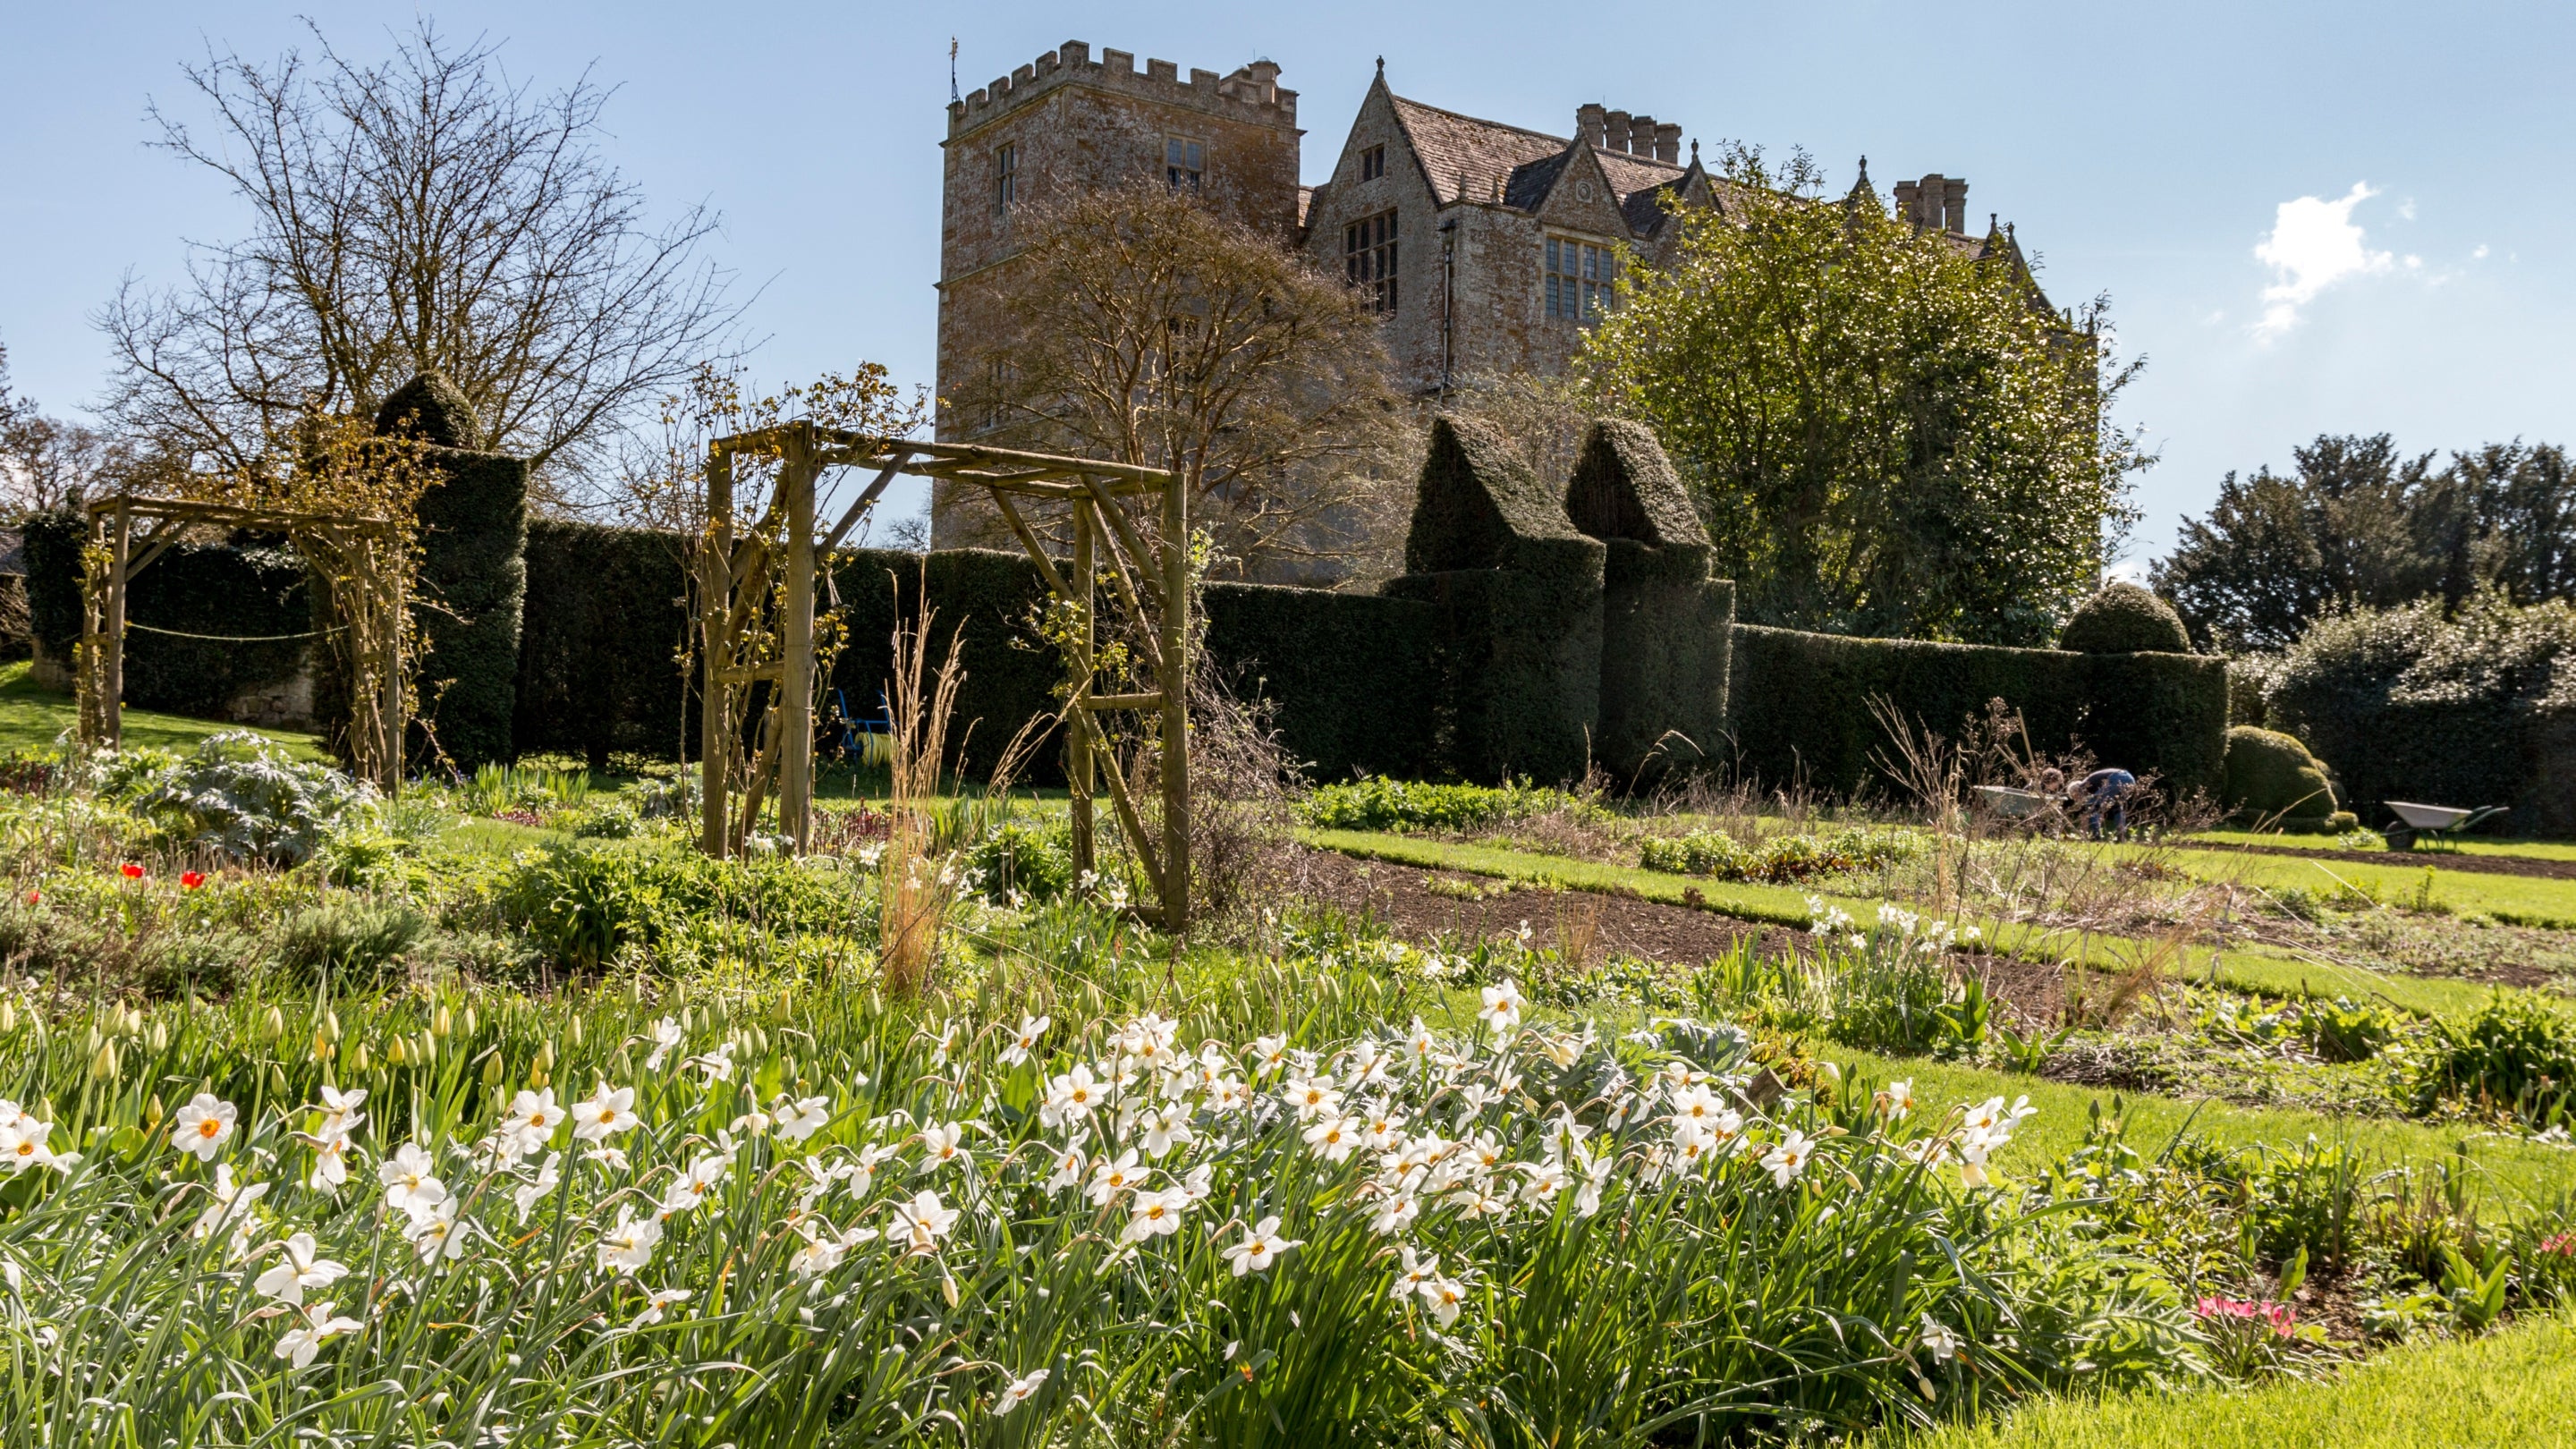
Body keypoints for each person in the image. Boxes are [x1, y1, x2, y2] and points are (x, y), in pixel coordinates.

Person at [2072, 767, 2136, 840]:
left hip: (2117, 778)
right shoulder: (2093, 784)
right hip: (2130, 779)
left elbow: (2086, 813)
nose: (2078, 800)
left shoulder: (2082, 786)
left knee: (2092, 807)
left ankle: (2096, 837)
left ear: (2075, 791)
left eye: (2075, 797)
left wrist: (2083, 833)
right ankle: (2121, 837)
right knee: (2117, 808)